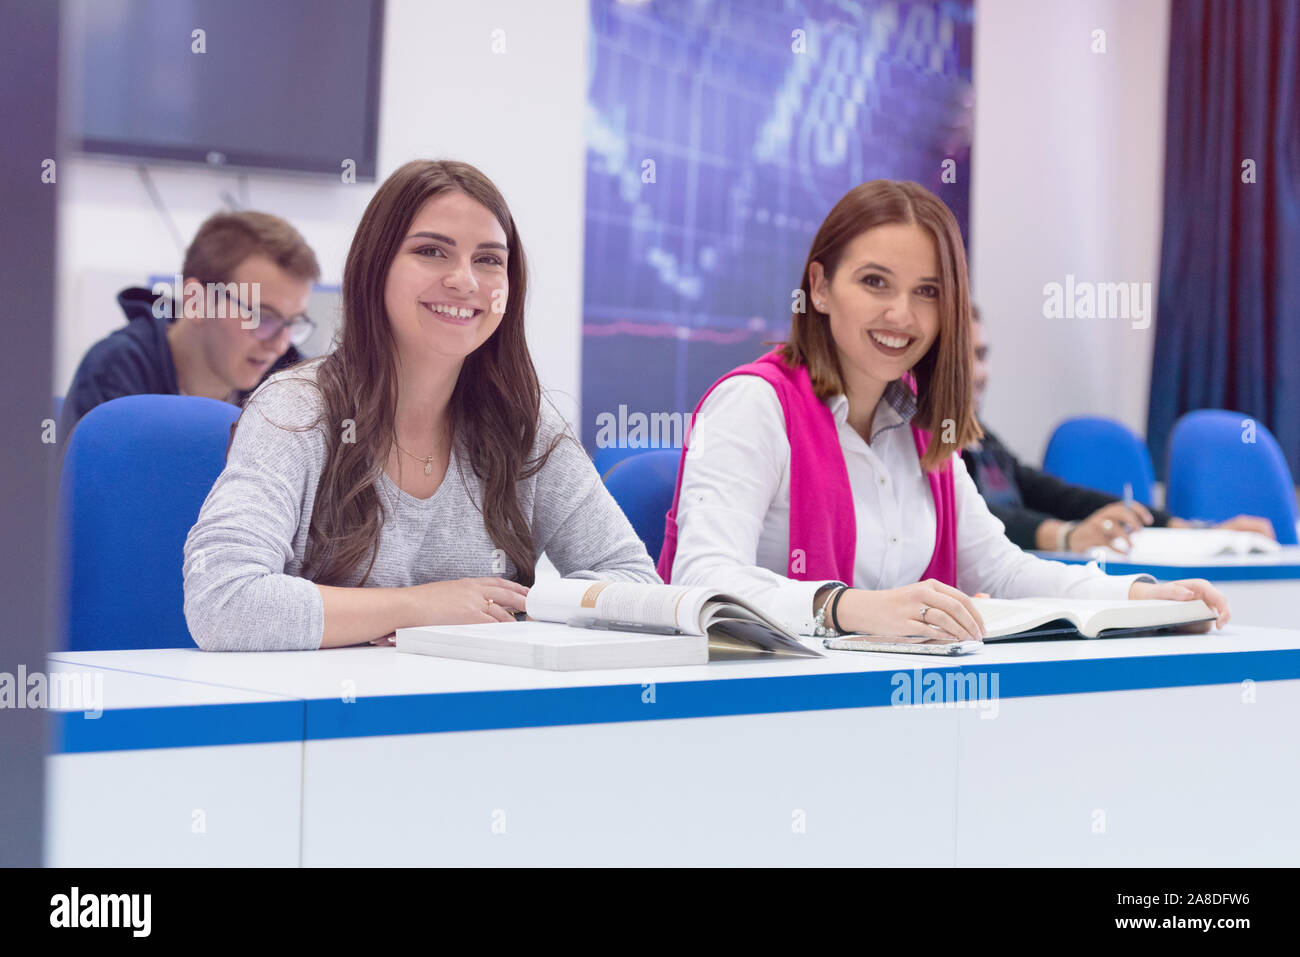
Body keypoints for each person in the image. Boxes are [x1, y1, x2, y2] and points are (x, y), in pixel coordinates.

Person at [659, 180, 1229, 642]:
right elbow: (702, 580)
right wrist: (850, 608)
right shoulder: (753, 406)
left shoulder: (923, 428)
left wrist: (1136, 596)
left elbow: (1002, 571)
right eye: (875, 281)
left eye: (928, 292)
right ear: (821, 287)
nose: (901, 315)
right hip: (760, 717)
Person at [182, 160, 658, 652]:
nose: (465, 281)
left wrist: (522, 614)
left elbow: (636, 586)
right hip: (325, 719)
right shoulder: (298, 410)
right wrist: (422, 608)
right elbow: (222, 602)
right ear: (376, 266)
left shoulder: (523, 422)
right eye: (431, 251)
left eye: (490, 260)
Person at [964, 305, 1276, 552]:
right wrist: (1067, 535)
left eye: (982, 355)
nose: (978, 373)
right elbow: (968, 517)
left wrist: (1192, 530)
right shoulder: (927, 446)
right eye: (965, 357)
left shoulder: (982, 438)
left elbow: (1059, 497)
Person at [60, 211, 320, 437]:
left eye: (292, 323)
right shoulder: (115, 373)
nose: (279, 344)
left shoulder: (288, 384)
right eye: (263, 317)